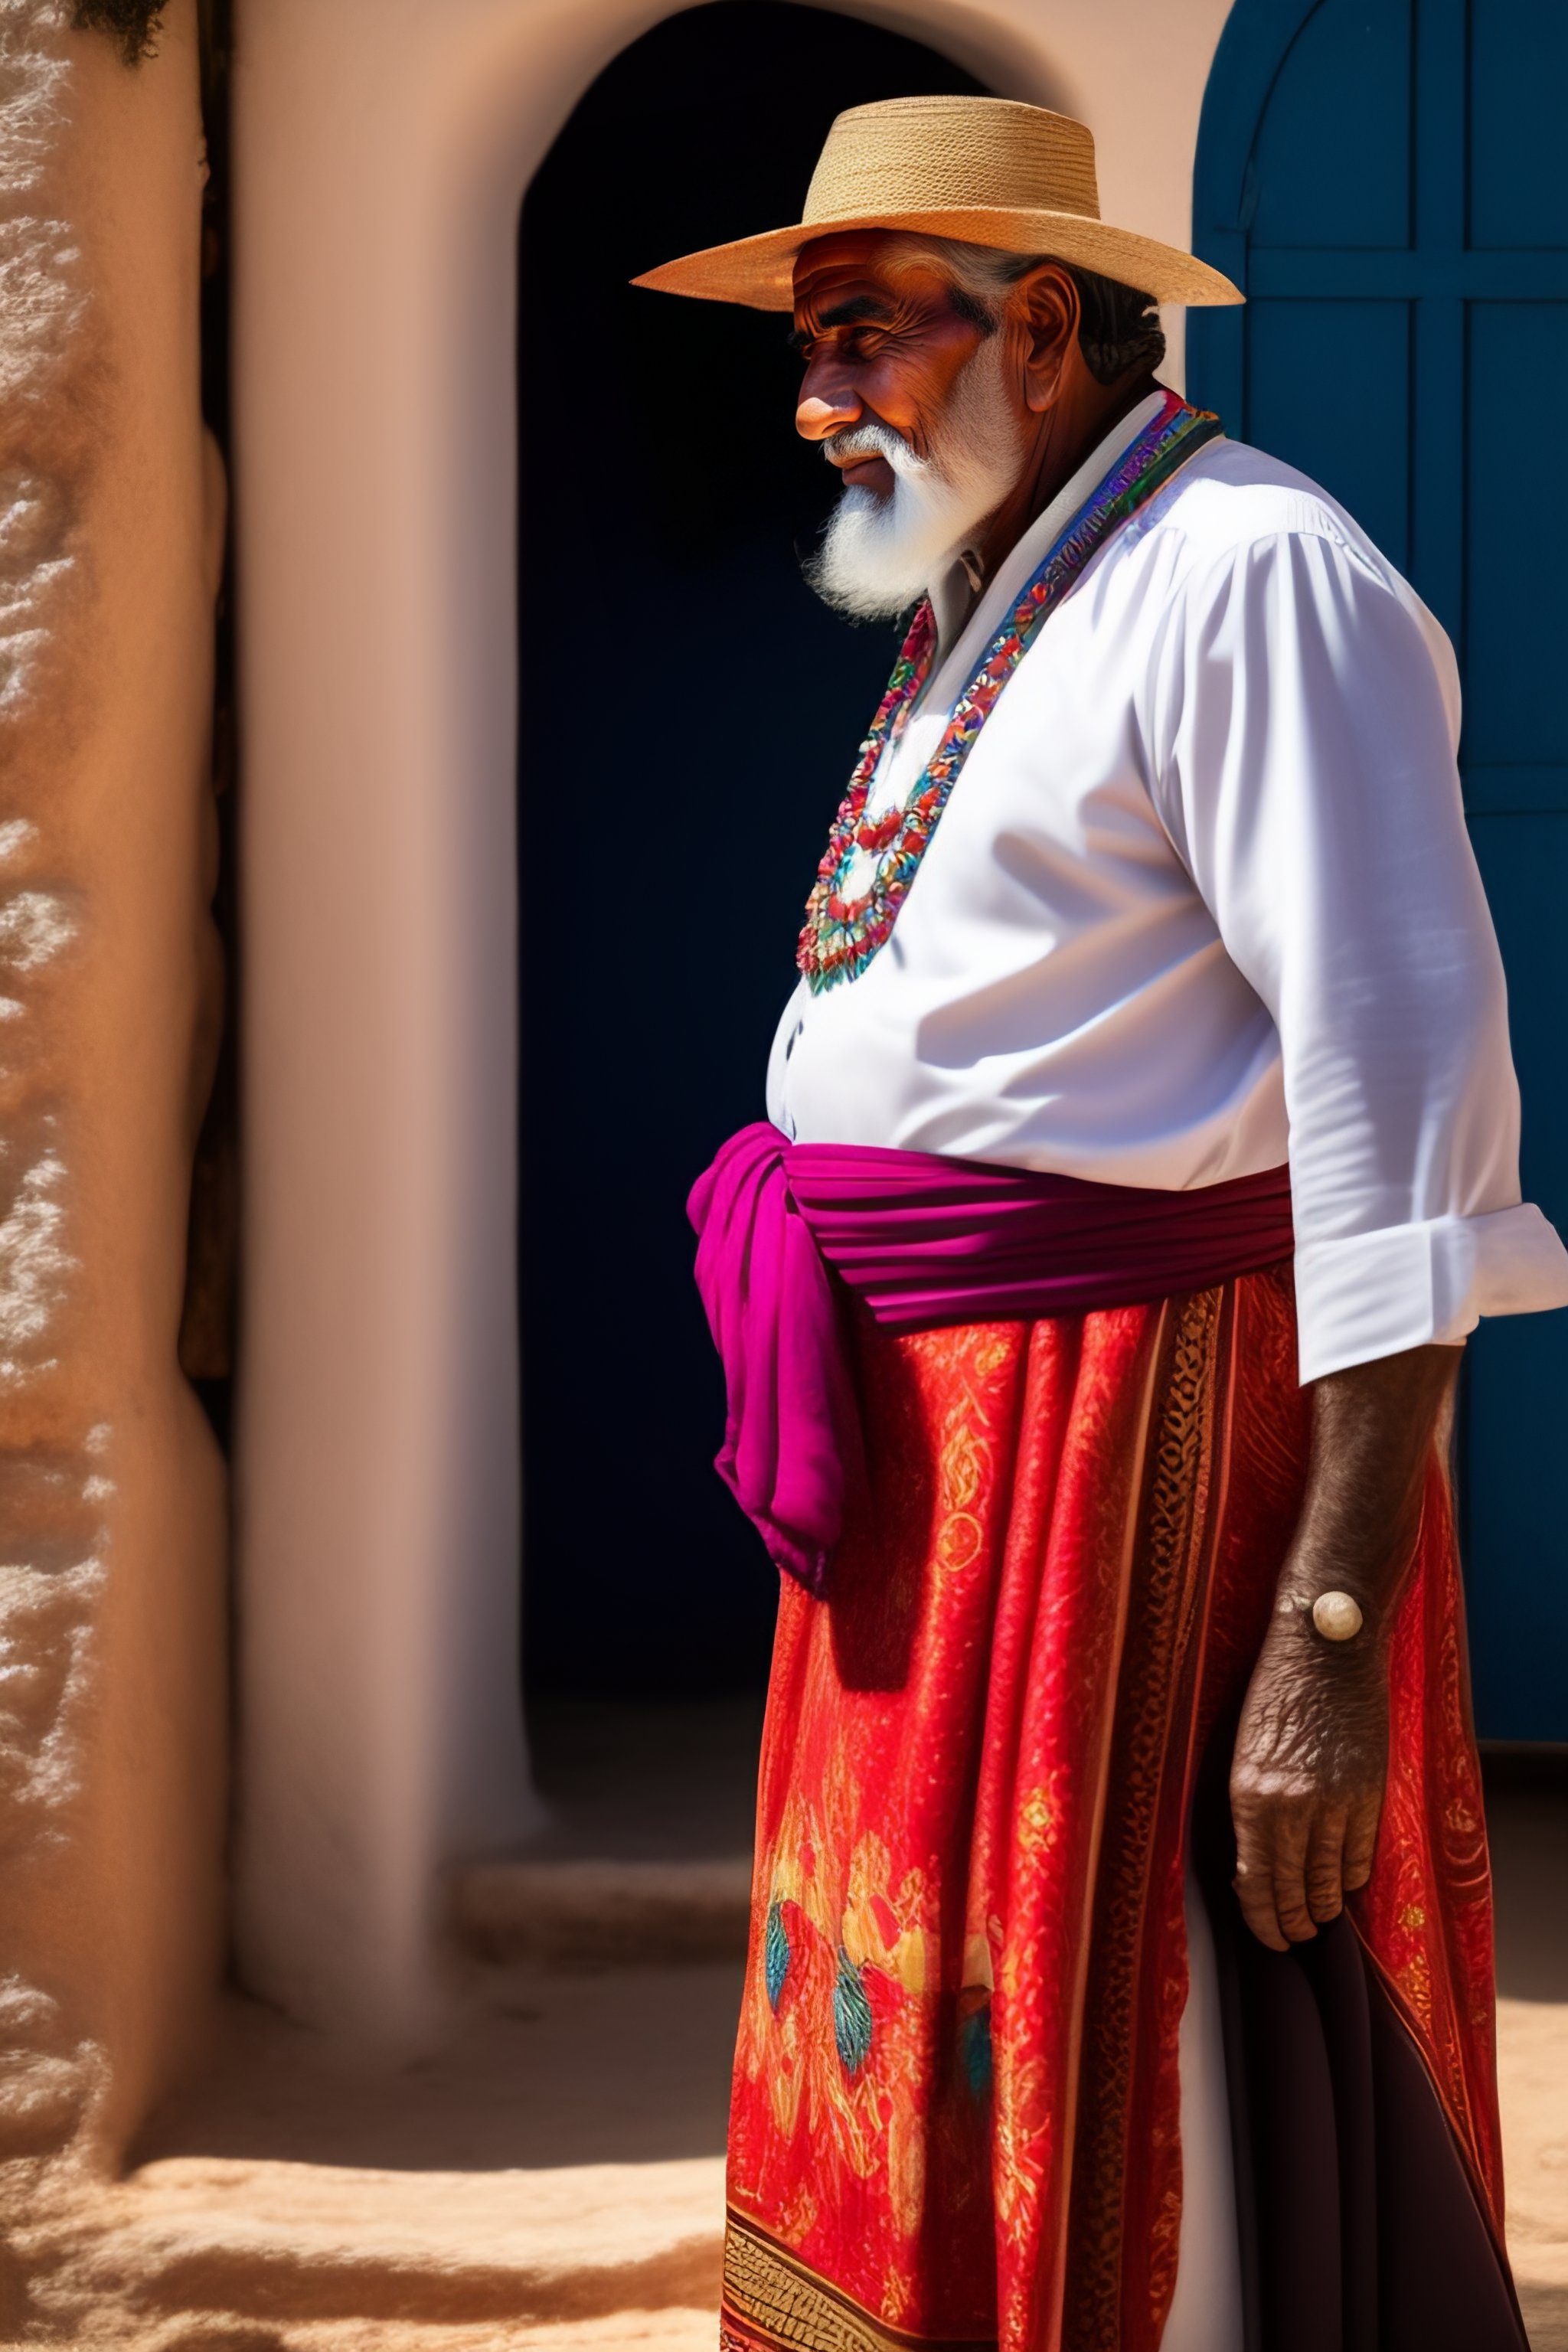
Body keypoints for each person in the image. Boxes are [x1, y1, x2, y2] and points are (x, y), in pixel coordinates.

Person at [638, 95, 1568, 2352]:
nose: (817, 394)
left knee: (1131, 2084)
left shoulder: (1254, 576)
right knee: (917, 2035)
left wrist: (1326, 1639)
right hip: (930, 1472)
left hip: (1122, 1454)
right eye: (809, 341)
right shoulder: (987, 588)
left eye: (861, 334)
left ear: (1040, 327)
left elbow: (1403, 1106)